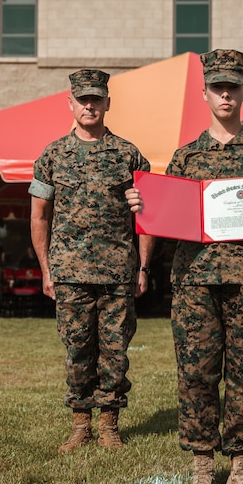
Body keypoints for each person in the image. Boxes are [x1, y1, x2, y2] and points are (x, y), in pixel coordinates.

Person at [160, 49, 243, 484]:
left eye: (233, 87)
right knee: (196, 370)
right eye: (218, 87)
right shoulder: (184, 158)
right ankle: (201, 463)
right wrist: (144, 208)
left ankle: (240, 464)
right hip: (195, 279)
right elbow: (167, 216)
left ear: (242, 91)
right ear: (205, 93)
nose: (227, 95)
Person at [29, 68, 152, 454]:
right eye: (82, 99)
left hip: (118, 271)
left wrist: (143, 267)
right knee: (78, 349)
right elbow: (39, 217)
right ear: (70, 103)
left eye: (96, 99)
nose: (89, 105)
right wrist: (47, 270)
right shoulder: (52, 155)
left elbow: (148, 215)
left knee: (115, 349)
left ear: (107, 104)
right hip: (69, 271)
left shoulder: (128, 154)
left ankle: (109, 424)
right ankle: (80, 423)